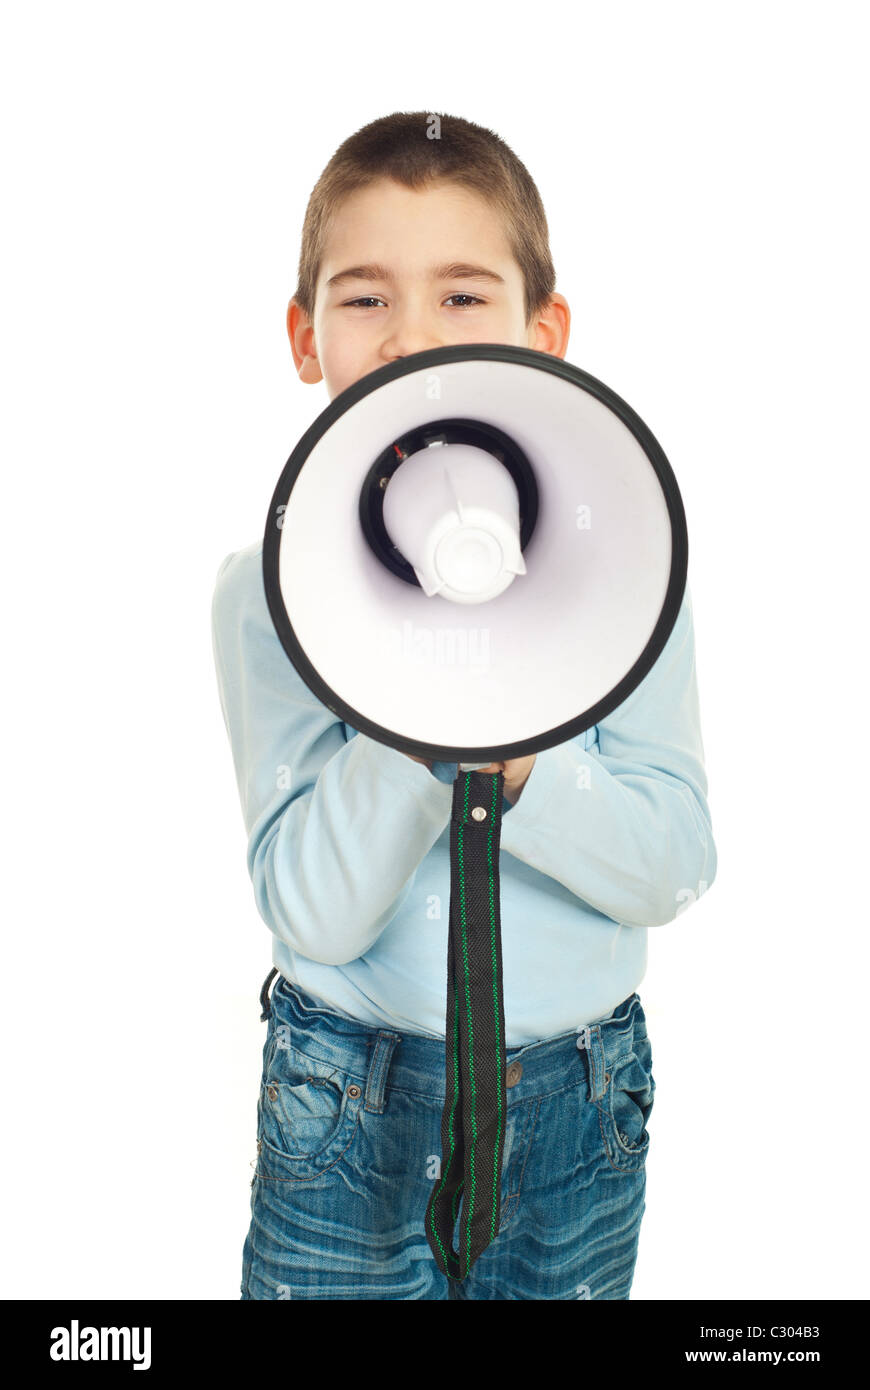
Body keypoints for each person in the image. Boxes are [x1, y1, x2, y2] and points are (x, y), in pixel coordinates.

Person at [211, 111, 717, 1300]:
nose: (416, 340)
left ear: (546, 334)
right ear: (305, 336)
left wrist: (529, 757)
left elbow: (675, 864)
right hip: (347, 1097)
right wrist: (409, 704)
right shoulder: (265, 595)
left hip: (579, 1104)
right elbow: (312, 910)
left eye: (464, 296)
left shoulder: (630, 573)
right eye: (367, 299)